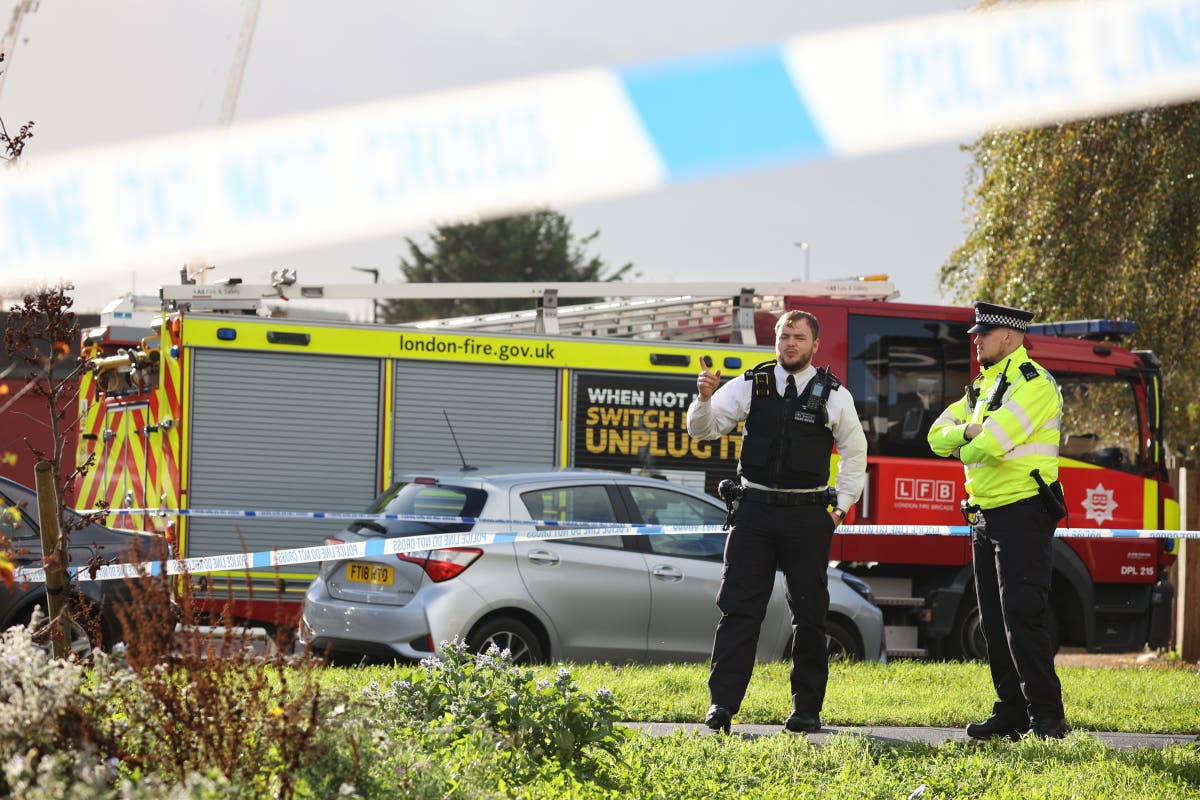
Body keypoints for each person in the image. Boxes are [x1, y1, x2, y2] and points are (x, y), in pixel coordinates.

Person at [687, 309, 867, 734]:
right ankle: (722, 706)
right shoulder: (752, 384)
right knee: (738, 609)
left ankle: (807, 710)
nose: (790, 343)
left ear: (815, 345)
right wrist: (705, 398)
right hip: (754, 512)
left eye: (799, 337)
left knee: (810, 616)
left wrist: (839, 509)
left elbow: (855, 455)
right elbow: (703, 431)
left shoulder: (835, 395)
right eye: (784, 336)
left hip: (807, 516)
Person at [927, 301, 1069, 740]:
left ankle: (1047, 718)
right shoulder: (982, 388)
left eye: (982, 335)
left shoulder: (1034, 384)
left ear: (1008, 337)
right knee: (992, 621)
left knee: (1022, 617)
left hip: (1024, 512)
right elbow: (934, 437)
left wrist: (967, 438)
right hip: (986, 516)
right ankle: (1012, 712)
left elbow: (988, 446)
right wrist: (967, 433)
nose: (975, 341)